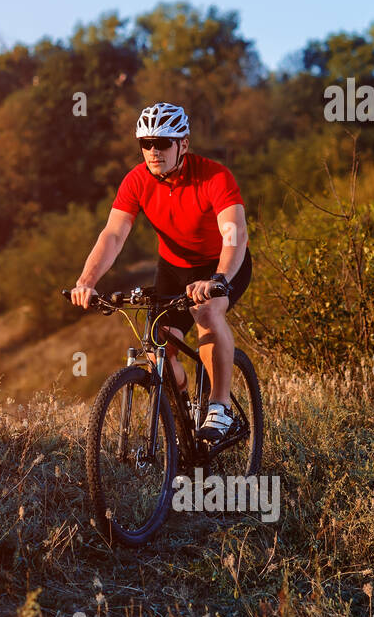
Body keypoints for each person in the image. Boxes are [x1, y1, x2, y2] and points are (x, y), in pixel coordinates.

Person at [69, 102, 252, 442]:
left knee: (208, 312)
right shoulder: (137, 180)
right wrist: (87, 281)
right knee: (157, 350)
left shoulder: (214, 176)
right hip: (173, 267)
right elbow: (113, 234)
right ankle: (184, 413)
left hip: (222, 263)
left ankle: (220, 405)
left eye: (163, 143)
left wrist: (219, 279)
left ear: (183, 143)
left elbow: (235, 233)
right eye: (146, 143)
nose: (153, 151)